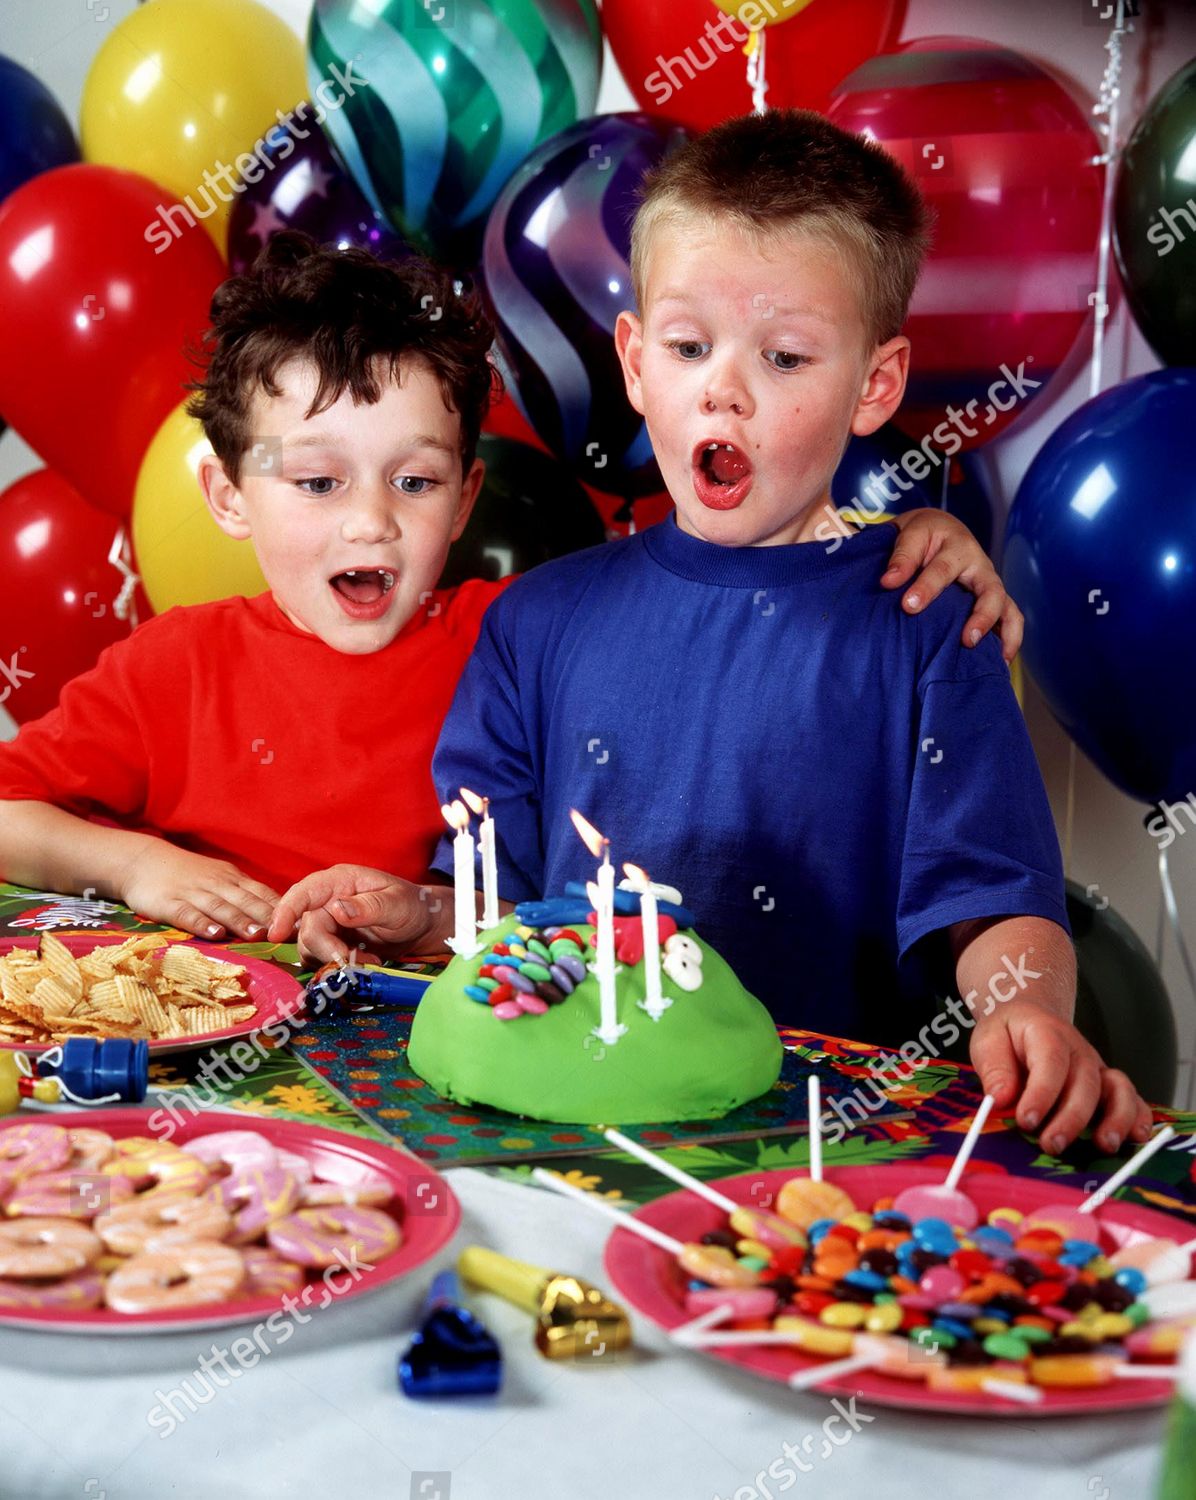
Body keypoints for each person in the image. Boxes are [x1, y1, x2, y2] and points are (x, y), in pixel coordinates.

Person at [272, 112, 1152, 1157]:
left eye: (783, 357)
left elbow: (991, 897)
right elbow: (498, 912)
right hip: (564, 1133)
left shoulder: (924, 621)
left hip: (823, 1149)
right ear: (637, 364)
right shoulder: (531, 627)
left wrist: (1026, 1008)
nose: (722, 389)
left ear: (872, 385)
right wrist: (413, 920)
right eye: (688, 347)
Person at [0, 229, 996, 947]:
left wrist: (910, 536)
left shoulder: (525, 636)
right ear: (225, 495)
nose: (368, 521)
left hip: (459, 1062)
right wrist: (135, 865)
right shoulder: (174, 666)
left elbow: (726, 565)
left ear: (467, 492)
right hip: (238, 1073)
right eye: (315, 481)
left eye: (414, 480)